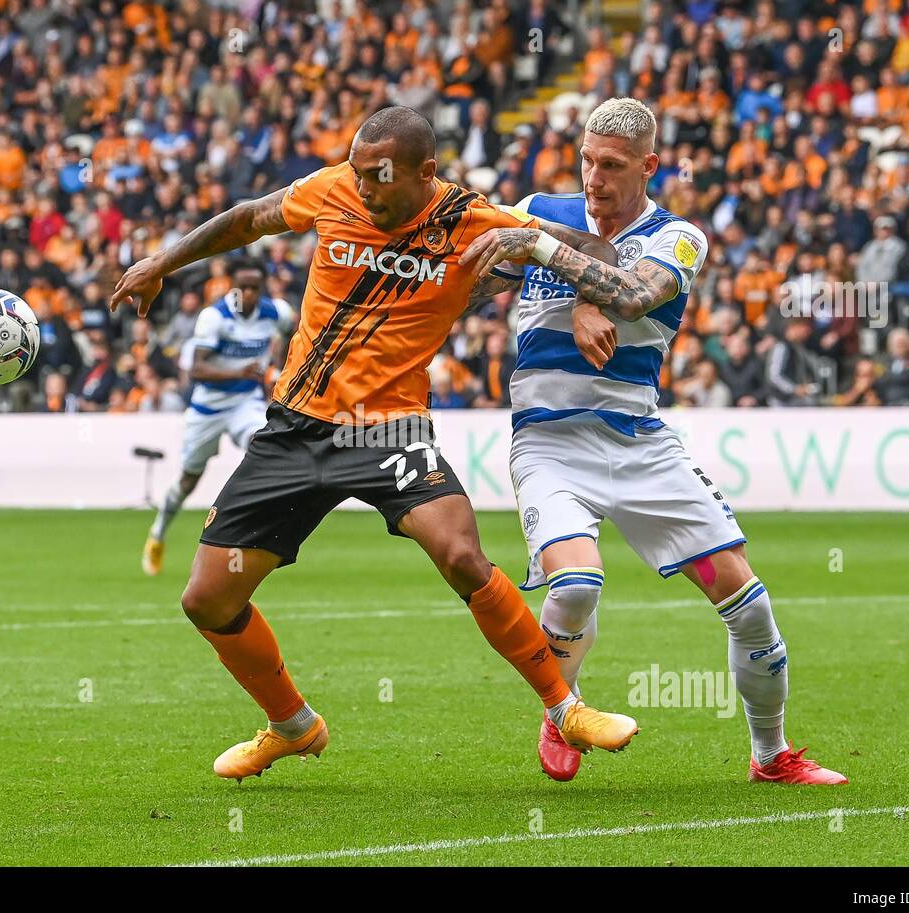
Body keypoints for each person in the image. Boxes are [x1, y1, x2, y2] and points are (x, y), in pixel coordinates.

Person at [110, 107, 638, 780]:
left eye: (380, 179)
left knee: (461, 555)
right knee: (207, 599)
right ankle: (293, 726)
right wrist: (162, 260)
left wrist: (585, 301)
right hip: (296, 427)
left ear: (427, 173)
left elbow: (599, 251)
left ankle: (565, 708)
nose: (363, 191)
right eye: (358, 174)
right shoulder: (333, 188)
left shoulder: (476, 221)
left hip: (391, 428)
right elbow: (247, 217)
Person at [459, 98, 847, 785]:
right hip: (549, 443)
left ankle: (771, 755)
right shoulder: (534, 210)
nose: (593, 179)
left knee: (749, 603)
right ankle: (564, 711)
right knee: (576, 586)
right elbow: (468, 287)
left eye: (611, 166)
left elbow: (634, 296)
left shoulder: (679, 237)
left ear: (650, 166)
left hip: (640, 444)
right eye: (586, 161)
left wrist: (556, 266)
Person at [142, 257, 294, 575]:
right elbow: (197, 369)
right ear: (232, 285)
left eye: (256, 287)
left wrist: (277, 365)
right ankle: (157, 534)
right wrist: (240, 370)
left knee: (262, 444)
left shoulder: (275, 312)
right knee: (187, 481)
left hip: (245, 405)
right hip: (207, 409)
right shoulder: (214, 317)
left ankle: (254, 530)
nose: (251, 294)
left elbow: (295, 332)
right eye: (245, 287)